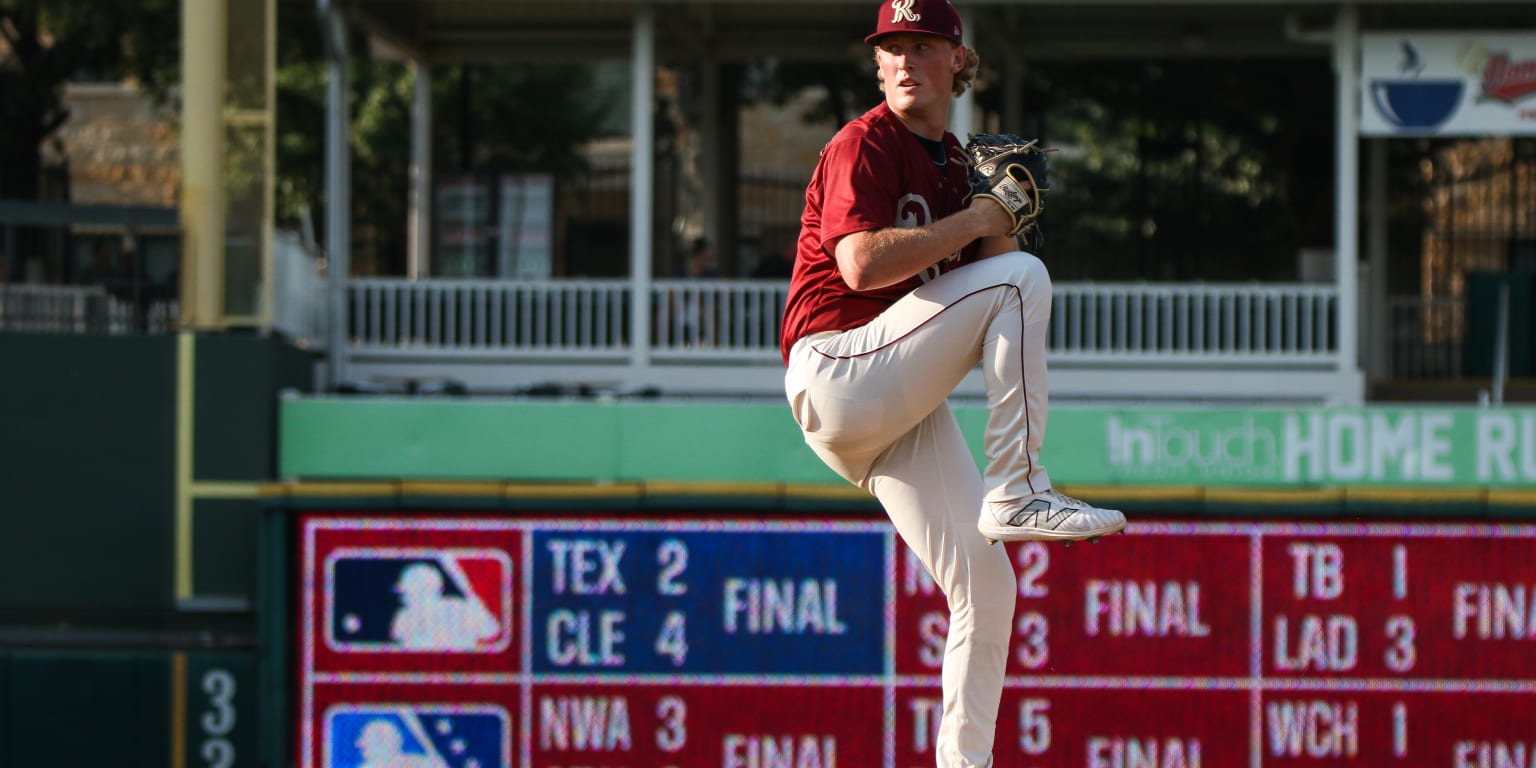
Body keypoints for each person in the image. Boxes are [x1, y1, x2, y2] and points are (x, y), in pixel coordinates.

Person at [778, 1, 1127, 765]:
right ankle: (1018, 485)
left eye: (924, 45)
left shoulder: (960, 165)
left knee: (988, 586)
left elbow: (988, 271)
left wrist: (994, 210)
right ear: (877, 65)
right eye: (892, 46)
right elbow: (862, 266)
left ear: (959, 63)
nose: (904, 60)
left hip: (891, 406)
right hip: (837, 366)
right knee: (1021, 282)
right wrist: (976, 224)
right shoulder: (861, 142)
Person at [389, 562, 500, 650]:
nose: (402, 596)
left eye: (405, 591)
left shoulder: (461, 607)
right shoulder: (404, 616)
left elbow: (491, 632)